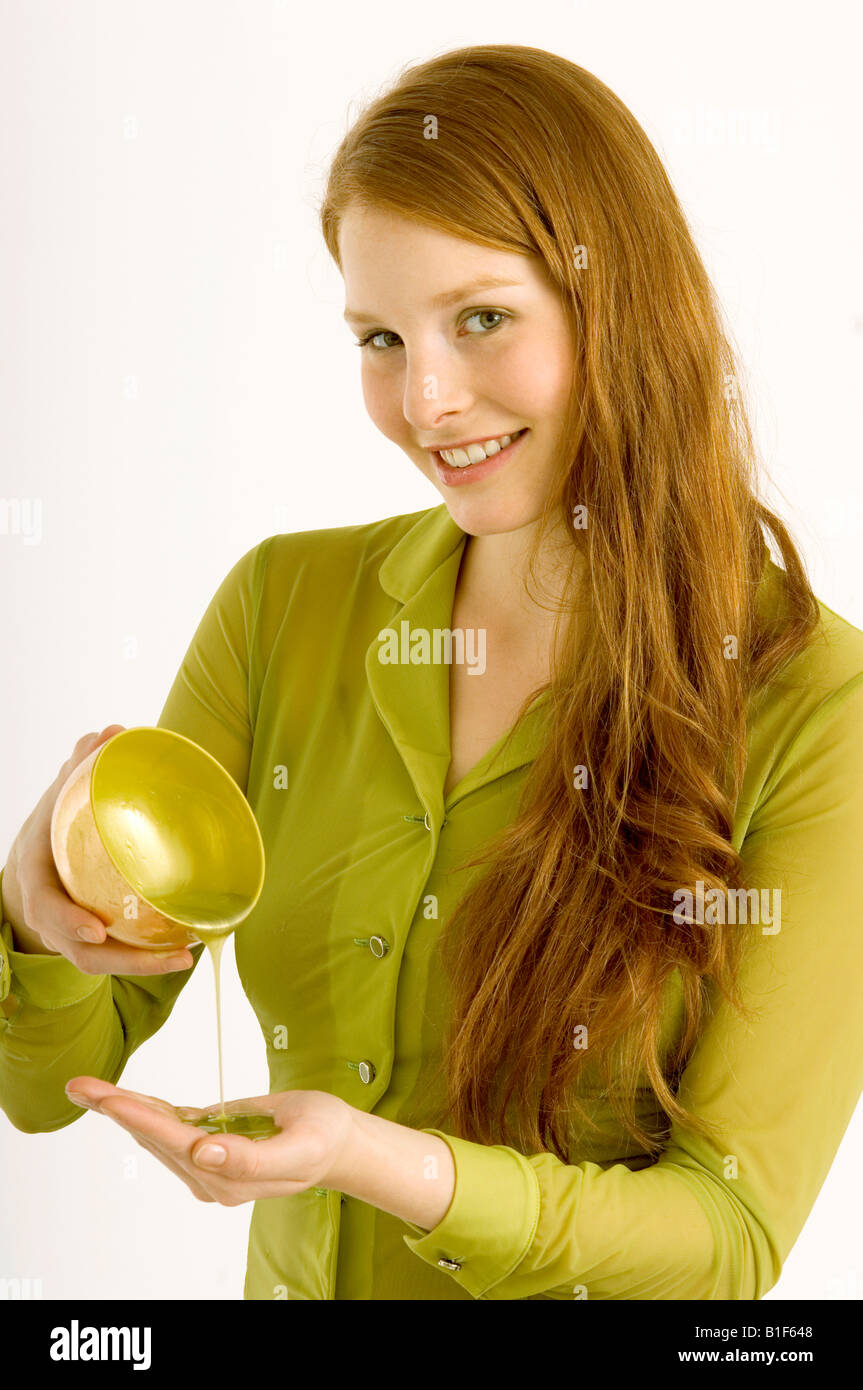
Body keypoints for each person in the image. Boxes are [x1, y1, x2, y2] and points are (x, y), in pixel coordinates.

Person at [2, 43, 862, 1302]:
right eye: (376, 337)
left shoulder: (812, 705)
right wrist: (38, 916)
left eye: (480, 319)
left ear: (616, 301)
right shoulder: (278, 608)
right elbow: (41, 1089)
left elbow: (726, 1237)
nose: (425, 400)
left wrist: (375, 1161)